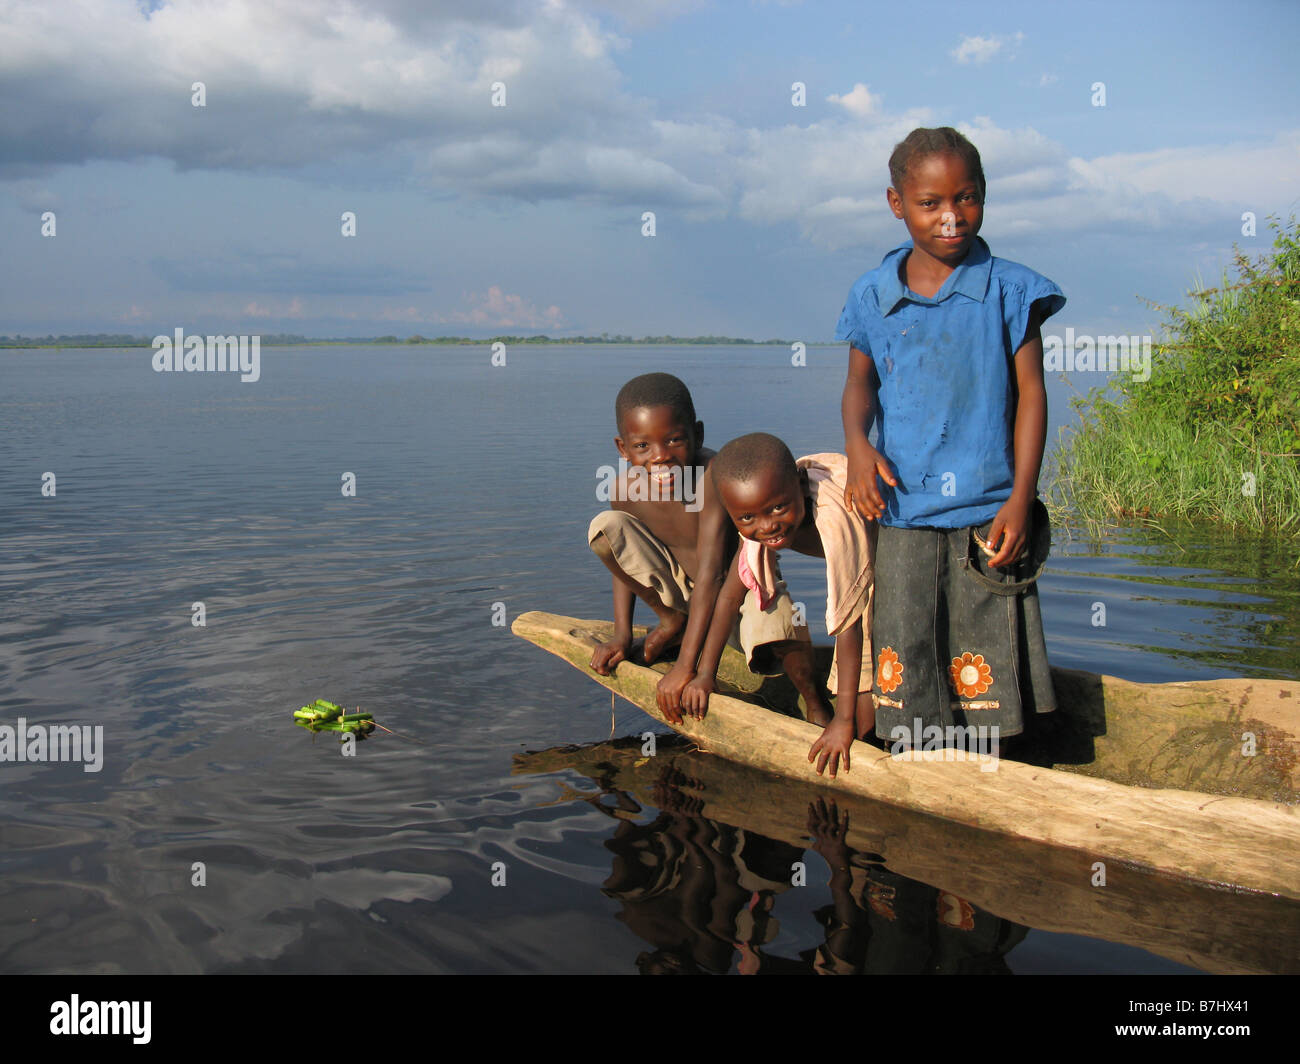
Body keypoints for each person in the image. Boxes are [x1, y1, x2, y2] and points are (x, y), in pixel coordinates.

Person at [835, 126, 1064, 751]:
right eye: (930, 202)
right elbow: (860, 384)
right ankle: (913, 757)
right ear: (896, 204)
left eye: (966, 198)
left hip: (988, 508)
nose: (951, 218)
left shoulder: (1011, 290)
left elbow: (1032, 397)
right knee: (905, 641)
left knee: (986, 650)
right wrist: (858, 445)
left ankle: (995, 763)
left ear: (983, 196)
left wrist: (1021, 498)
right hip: (903, 504)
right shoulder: (874, 295)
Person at [588, 375, 826, 724]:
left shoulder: (714, 475)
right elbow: (622, 563)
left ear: (697, 435)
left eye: (674, 440)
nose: (661, 457)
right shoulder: (625, 491)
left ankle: (817, 703)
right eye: (643, 447)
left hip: (740, 592)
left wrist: (690, 668)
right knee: (605, 529)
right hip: (685, 592)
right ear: (623, 449)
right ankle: (672, 621)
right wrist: (621, 634)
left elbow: (715, 572)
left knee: (780, 625)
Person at [678, 433, 876, 778]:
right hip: (864, 571)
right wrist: (704, 674)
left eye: (777, 509)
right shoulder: (756, 510)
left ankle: (865, 747)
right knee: (859, 699)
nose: (766, 525)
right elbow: (729, 596)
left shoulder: (833, 520)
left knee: (865, 702)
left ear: (800, 487)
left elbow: (849, 620)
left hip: (881, 563)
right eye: (747, 518)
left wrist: (842, 722)